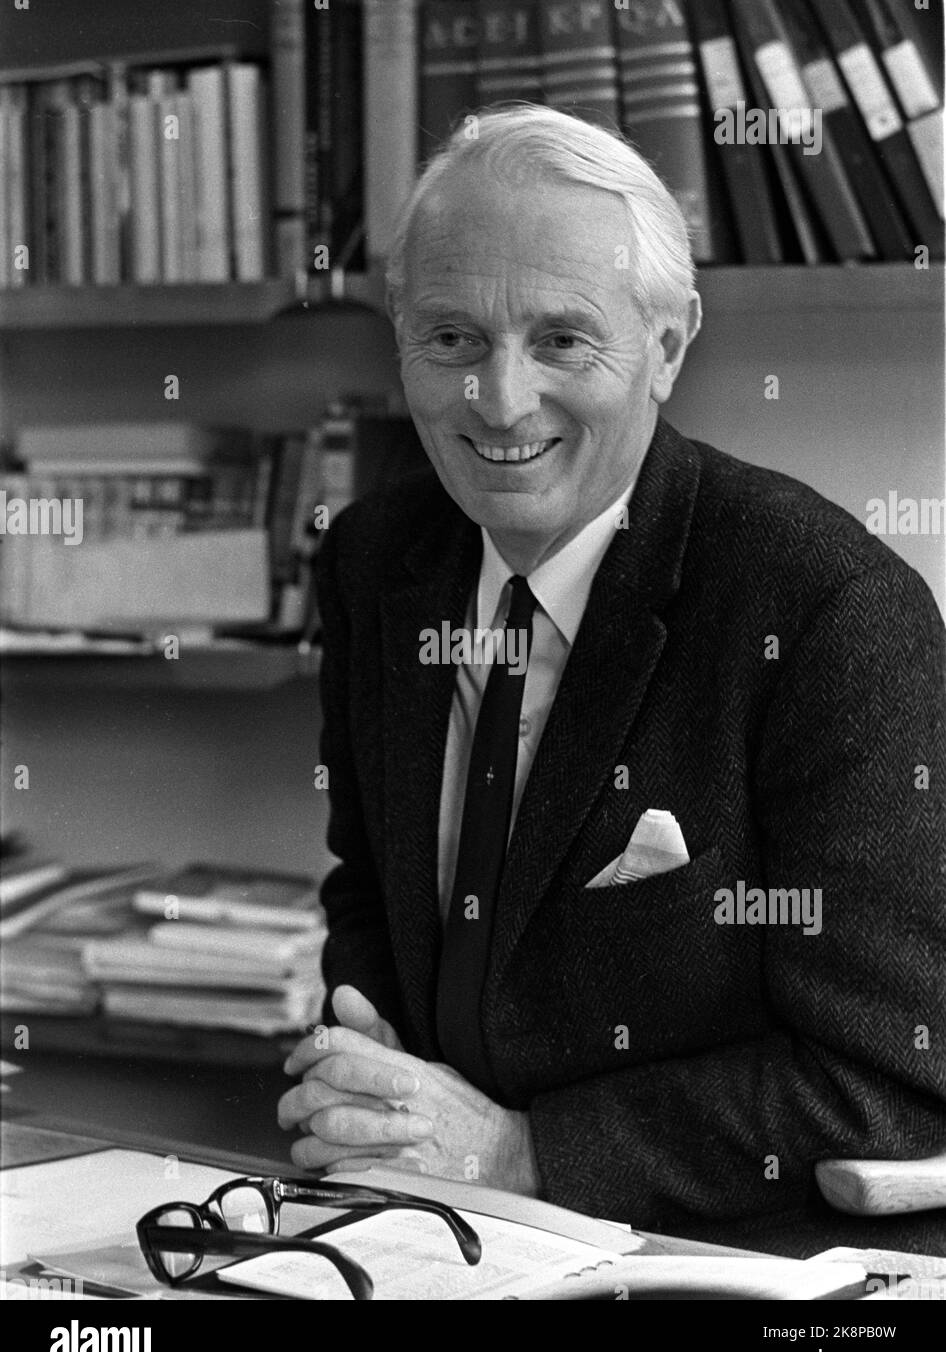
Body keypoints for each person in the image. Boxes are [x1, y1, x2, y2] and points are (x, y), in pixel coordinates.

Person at [277, 106, 946, 1254]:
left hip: (734, 1267)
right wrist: (369, 1065)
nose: (498, 399)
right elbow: (367, 884)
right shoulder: (375, 562)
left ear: (670, 344)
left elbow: (894, 1080)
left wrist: (519, 1151)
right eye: (450, 337)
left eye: (559, 340)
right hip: (422, 1239)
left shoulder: (826, 608)